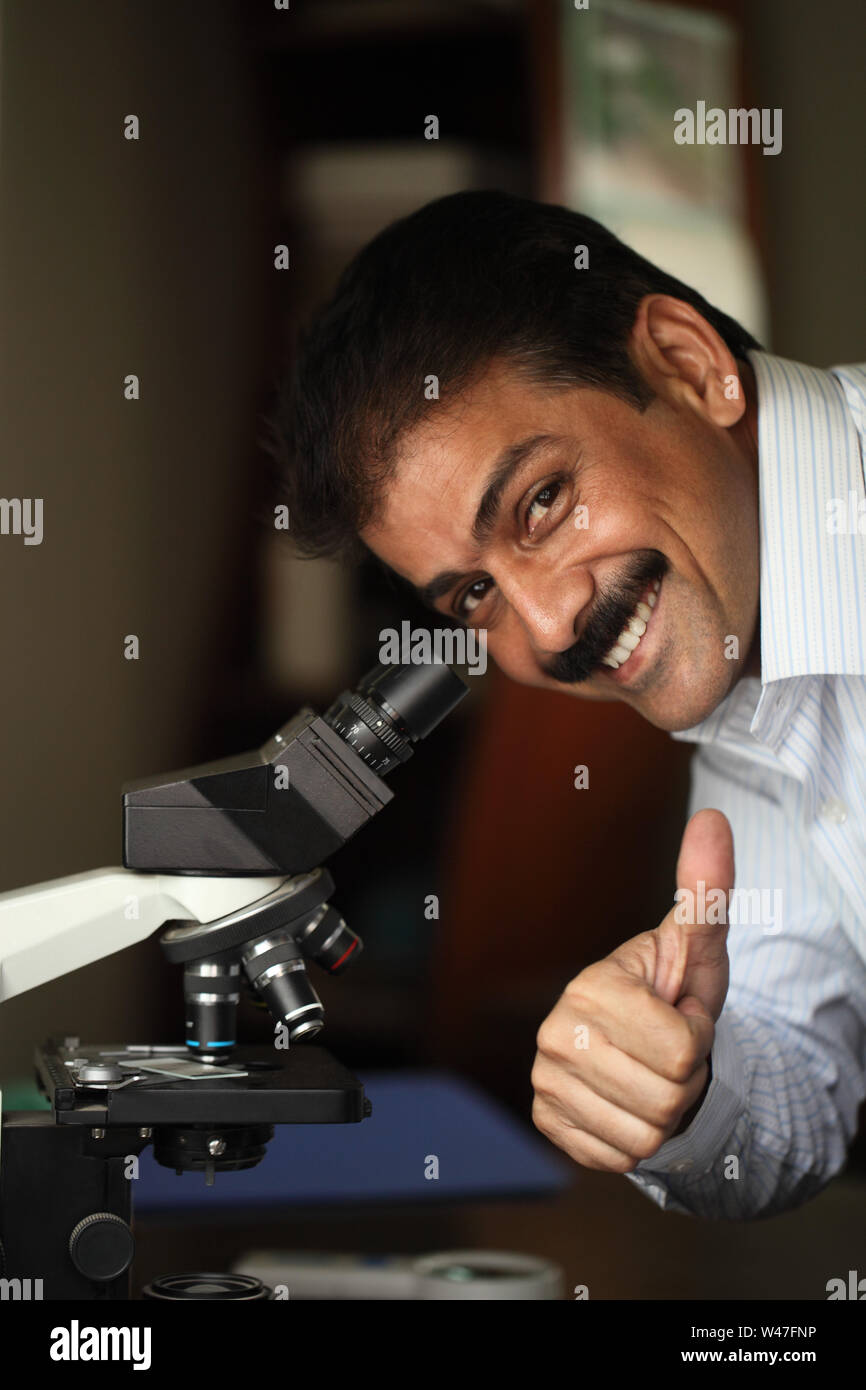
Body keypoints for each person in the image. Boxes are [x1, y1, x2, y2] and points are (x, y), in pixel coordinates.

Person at [264, 190, 866, 1219]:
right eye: (473, 593)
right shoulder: (736, 661)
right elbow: (804, 1080)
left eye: (540, 501)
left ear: (687, 364)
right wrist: (673, 1087)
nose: (544, 627)